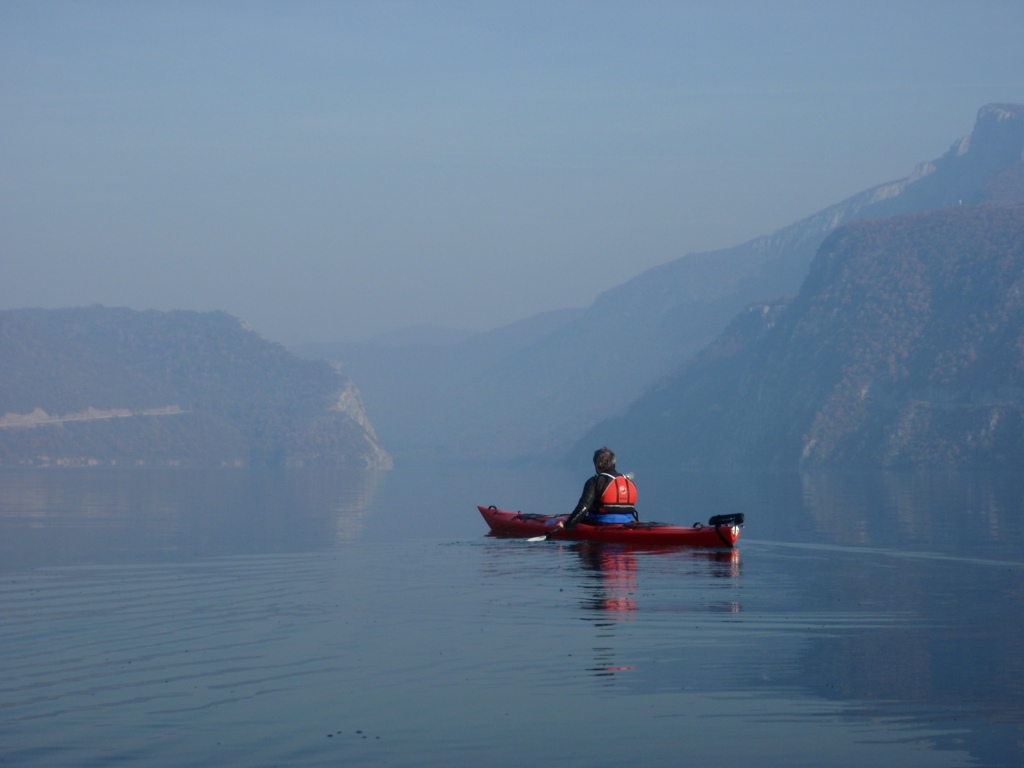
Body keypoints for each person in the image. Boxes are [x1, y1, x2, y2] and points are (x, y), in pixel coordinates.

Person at [550, 447, 638, 533]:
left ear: (597, 465)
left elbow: (583, 508)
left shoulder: (594, 482)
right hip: (626, 522)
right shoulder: (627, 481)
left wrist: (567, 525)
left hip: (601, 523)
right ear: (613, 463)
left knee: (570, 518)